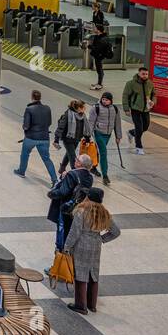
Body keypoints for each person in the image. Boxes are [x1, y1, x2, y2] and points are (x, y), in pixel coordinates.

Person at [62, 186, 120, 315]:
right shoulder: (104, 213)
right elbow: (116, 231)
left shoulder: (81, 211)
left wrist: (67, 247)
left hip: (82, 244)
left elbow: (75, 232)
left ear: (89, 197)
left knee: (80, 275)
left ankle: (80, 305)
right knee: (93, 274)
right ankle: (92, 305)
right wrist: (102, 239)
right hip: (96, 245)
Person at [47, 153, 94, 250]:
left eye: (77, 160)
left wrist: (51, 193)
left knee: (63, 232)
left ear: (79, 164)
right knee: (73, 231)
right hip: (79, 208)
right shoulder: (89, 177)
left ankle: (61, 257)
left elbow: (62, 192)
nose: (75, 161)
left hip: (66, 208)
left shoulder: (72, 174)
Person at [89, 91, 123, 186]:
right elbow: (91, 122)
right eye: (103, 99)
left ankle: (93, 166)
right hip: (98, 133)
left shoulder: (115, 109)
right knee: (103, 152)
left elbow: (117, 123)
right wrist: (88, 135)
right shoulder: (96, 108)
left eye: (107, 100)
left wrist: (118, 136)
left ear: (111, 101)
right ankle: (105, 175)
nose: (104, 101)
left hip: (108, 134)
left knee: (99, 152)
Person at [122, 65, 155, 155]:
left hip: (146, 110)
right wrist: (126, 109)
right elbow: (125, 96)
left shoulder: (150, 83)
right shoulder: (131, 84)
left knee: (145, 127)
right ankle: (138, 147)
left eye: (146, 74)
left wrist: (153, 102)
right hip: (135, 109)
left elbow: (153, 94)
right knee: (139, 128)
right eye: (143, 74)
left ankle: (131, 133)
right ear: (139, 73)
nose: (145, 75)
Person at [54, 99, 88, 175]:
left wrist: (87, 138)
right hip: (68, 139)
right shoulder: (67, 115)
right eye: (84, 107)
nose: (85, 109)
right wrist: (56, 139)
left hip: (77, 138)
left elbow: (84, 127)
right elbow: (61, 127)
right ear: (79, 108)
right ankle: (75, 174)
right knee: (73, 157)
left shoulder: (82, 115)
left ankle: (62, 168)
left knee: (69, 154)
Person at [88, 25, 113, 91]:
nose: (94, 29)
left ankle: (99, 84)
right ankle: (99, 83)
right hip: (98, 55)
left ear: (98, 30)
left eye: (95, 28)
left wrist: (90, 47)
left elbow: (98, 48)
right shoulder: (98, 36)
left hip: (100, 55)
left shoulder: (102, 39)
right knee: (99, 69)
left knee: (99, 69)